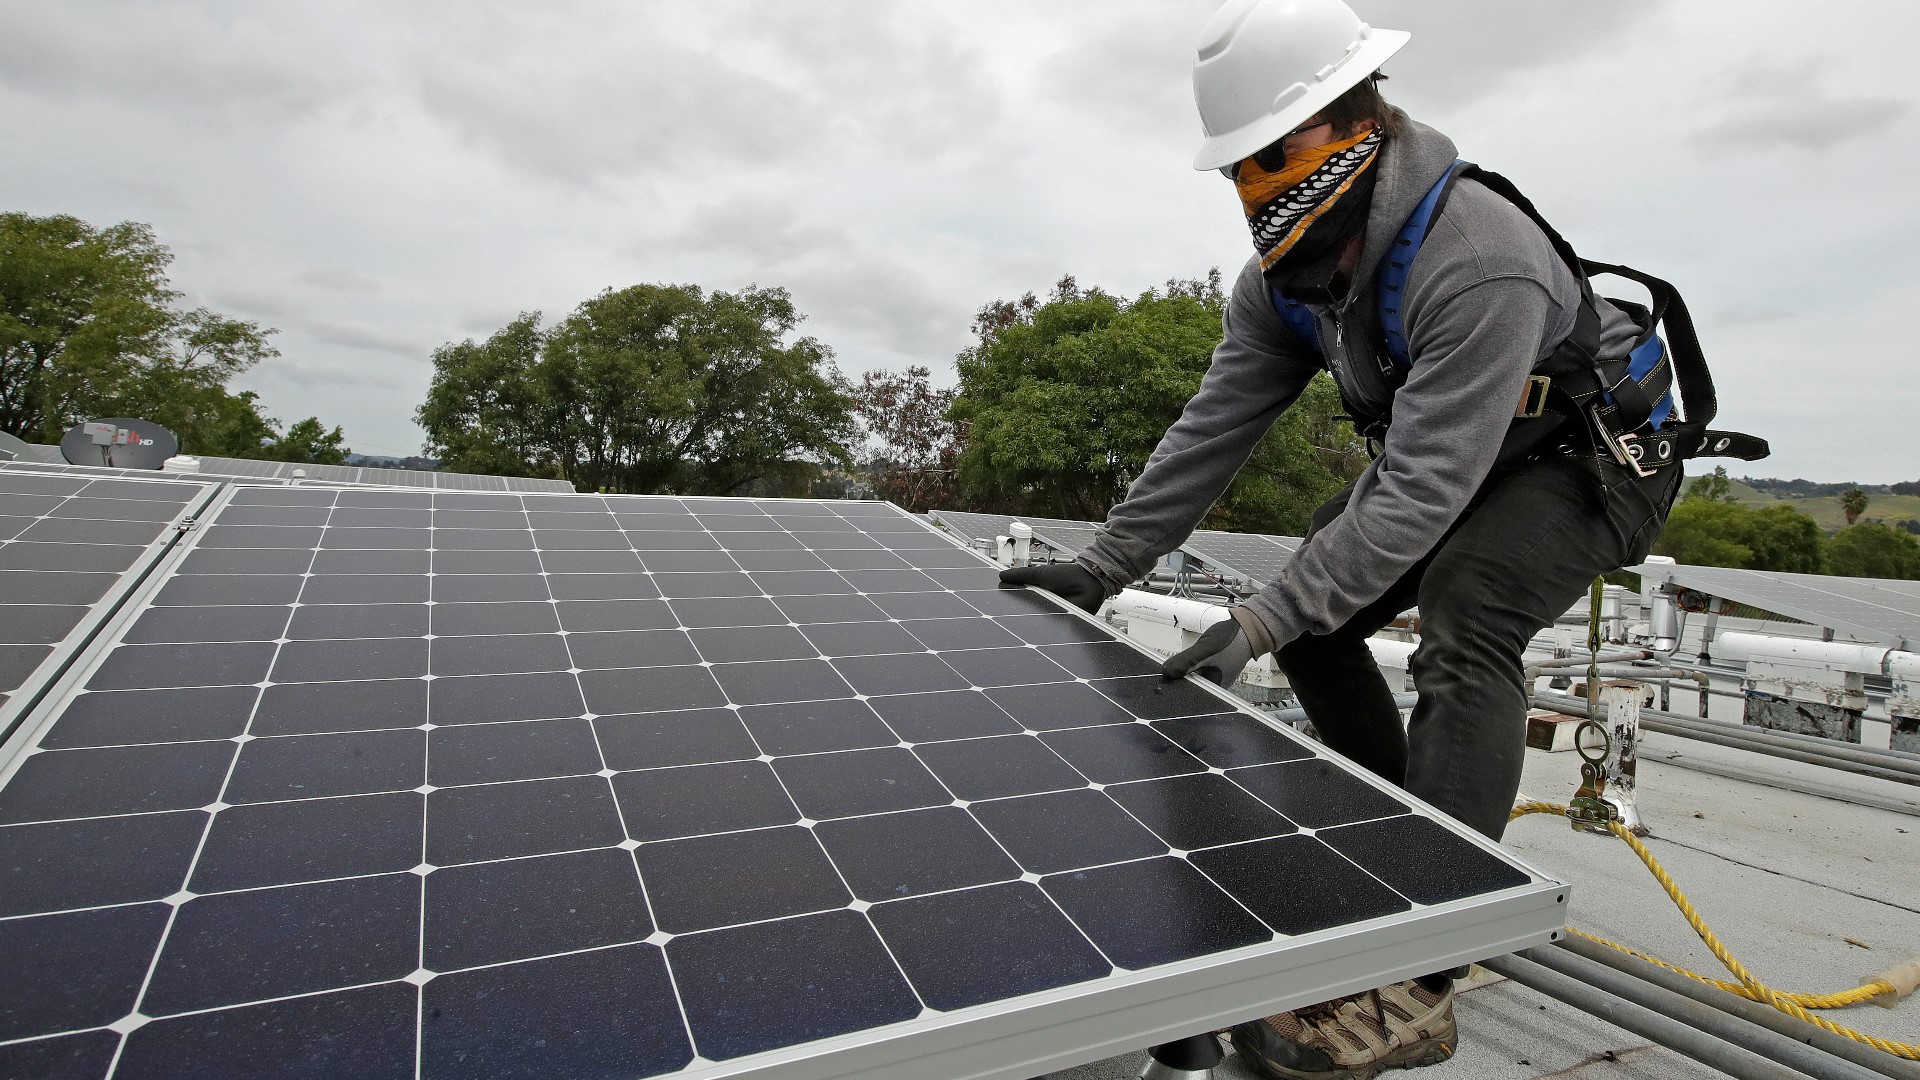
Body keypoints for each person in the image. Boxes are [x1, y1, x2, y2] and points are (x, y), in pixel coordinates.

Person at [996, 1, 1749, 1076]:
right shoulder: (1288, 282)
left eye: (1270, 157)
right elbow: (1216, 427)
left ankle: (1421, 967)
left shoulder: (1478, 258)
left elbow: (1422, 491)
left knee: (1469, 621)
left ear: (1351, 123)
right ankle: (1394, 841)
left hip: (1586, 463)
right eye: (1240, 171)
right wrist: (1107, 564)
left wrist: (1254, 618)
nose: (1255, 191)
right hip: (1466, 458)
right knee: (1316, 622)